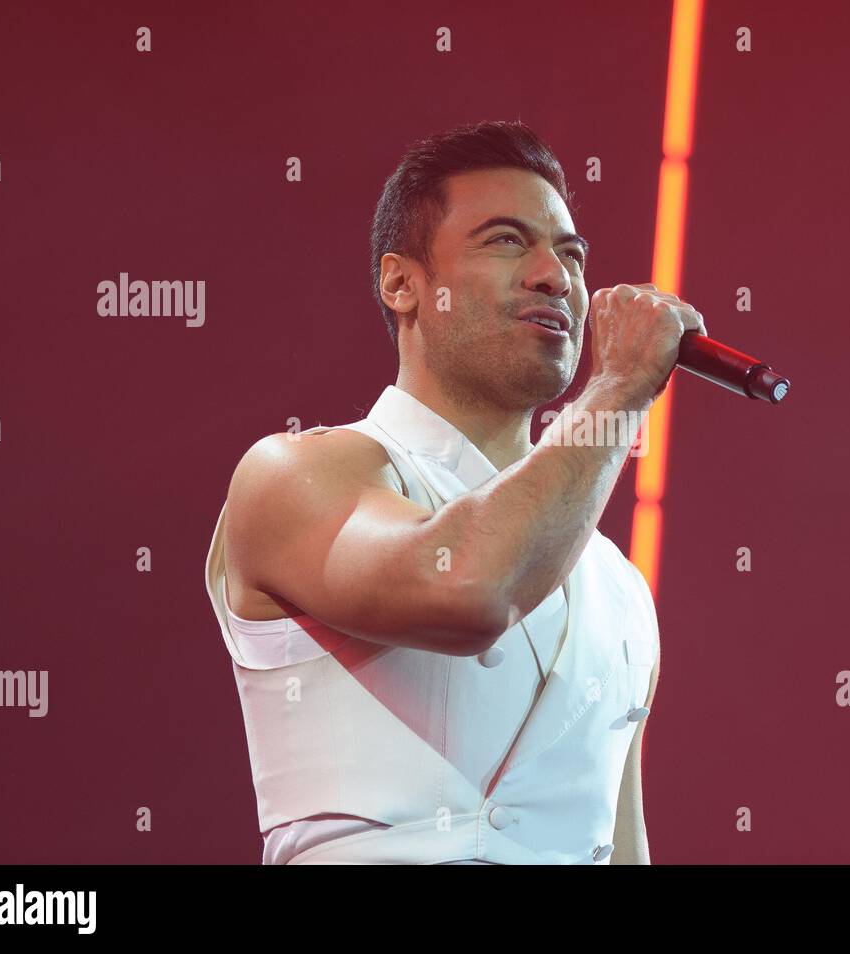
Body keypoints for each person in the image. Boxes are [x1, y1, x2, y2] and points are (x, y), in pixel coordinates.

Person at [202, 120, 706, 864]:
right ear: (402, 283)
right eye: (507, 241)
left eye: (570, 254)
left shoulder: (619, 588)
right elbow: (469, 590)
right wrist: (621, 387)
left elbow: (621, 846)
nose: (554, 276)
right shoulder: (297, 475)